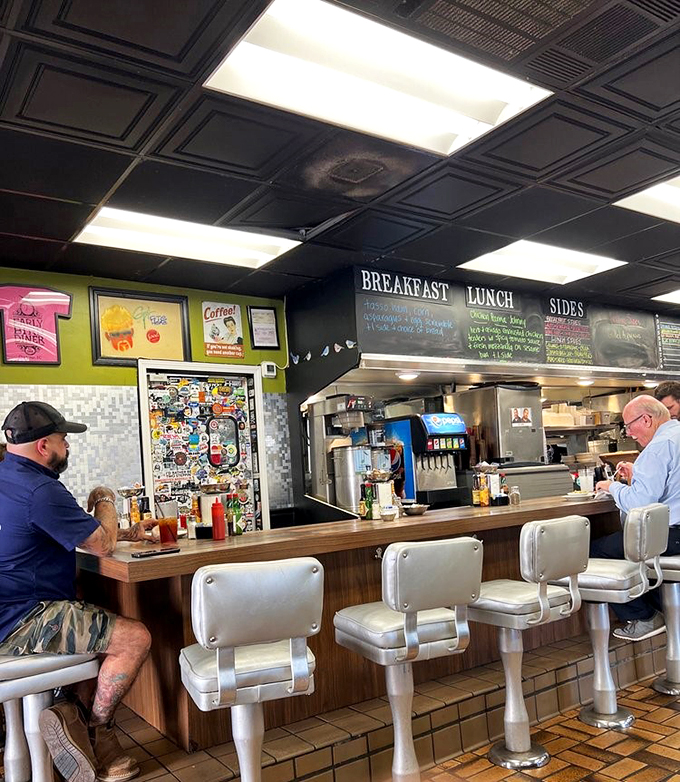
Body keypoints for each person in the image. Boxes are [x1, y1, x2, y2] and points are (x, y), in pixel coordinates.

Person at [0, 401, 156, 782]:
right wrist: (105, 498)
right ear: (43, 445)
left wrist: (125, 533)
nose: (68, 445)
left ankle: (69, 712)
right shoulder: (40, 489)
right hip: (23, 618)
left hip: (12, 608)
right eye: (63, 438)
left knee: (92, 619)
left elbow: (57, 532)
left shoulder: (8, 475)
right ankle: (96, 730)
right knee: (134, 638)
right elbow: (100, 544)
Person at [594, 395, 680, 641]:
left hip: (670, 535)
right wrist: (638, 475)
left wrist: (611, 487)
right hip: (674, 536)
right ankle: (668, 613)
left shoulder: (658, 447)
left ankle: (646, 617)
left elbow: (640, 505)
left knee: (590, 555)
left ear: (647, 419)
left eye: (629, 425)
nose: (629, 433)